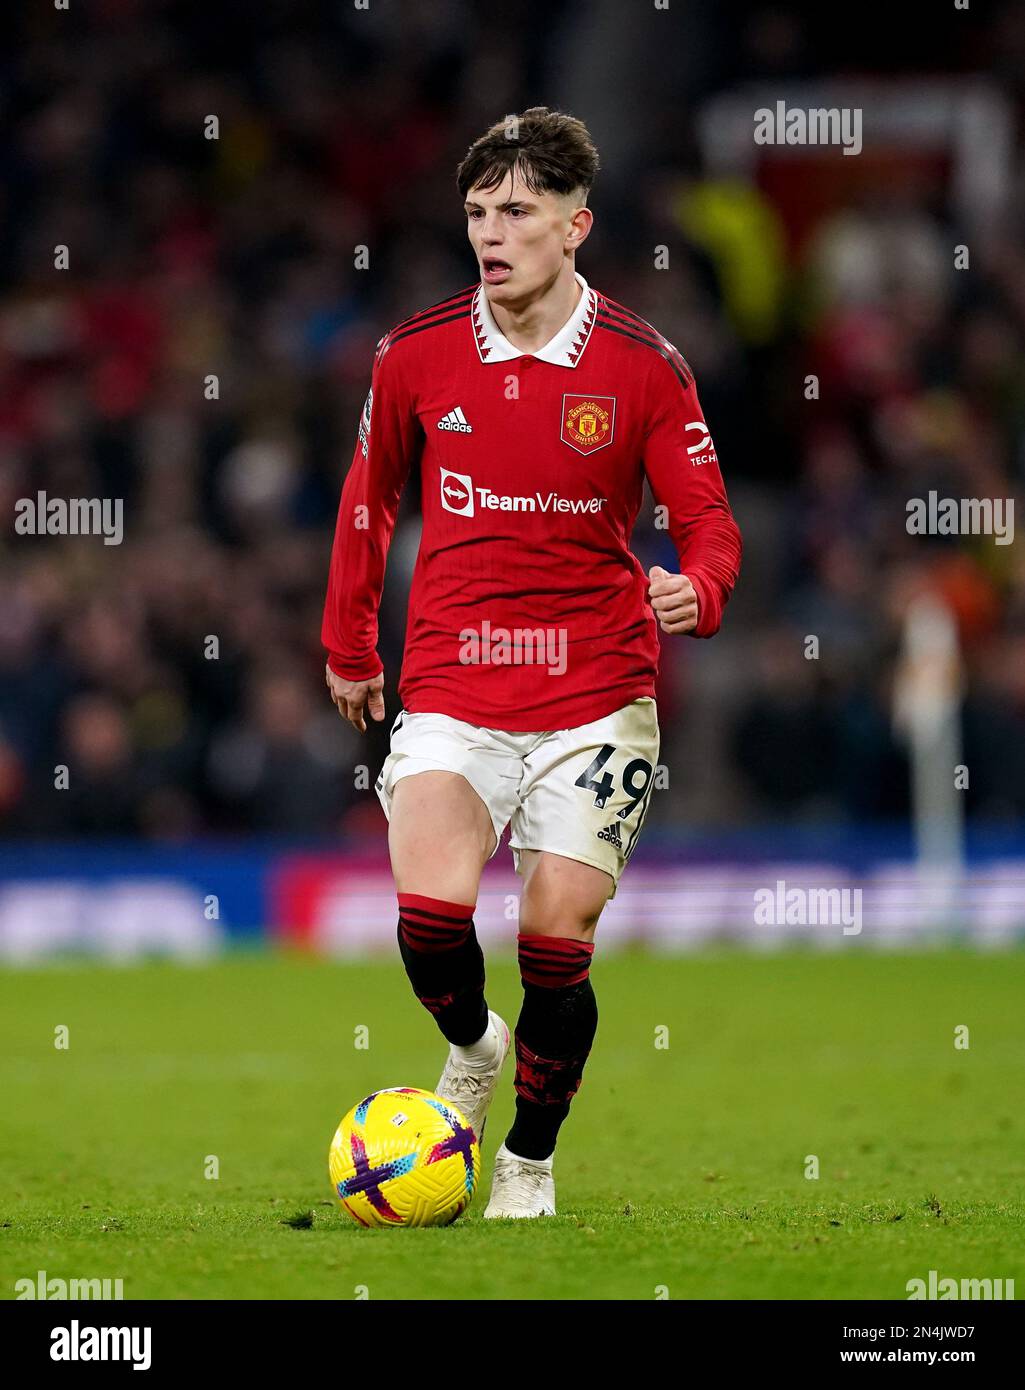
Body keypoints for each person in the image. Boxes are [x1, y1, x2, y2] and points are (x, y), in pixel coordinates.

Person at [322, 106, 742, 1217]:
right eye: (475, 212)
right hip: (456, 677)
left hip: (594, 692)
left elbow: (708, 523)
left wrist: (695, 589)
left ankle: (527, 1158)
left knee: (554, 932)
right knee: (427, 913)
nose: (489, 233)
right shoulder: (413, 356)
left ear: (574, 227)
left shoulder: (642, 367)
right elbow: (367, 507)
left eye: (515, 211)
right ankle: (472, 1038)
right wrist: (348, 643)